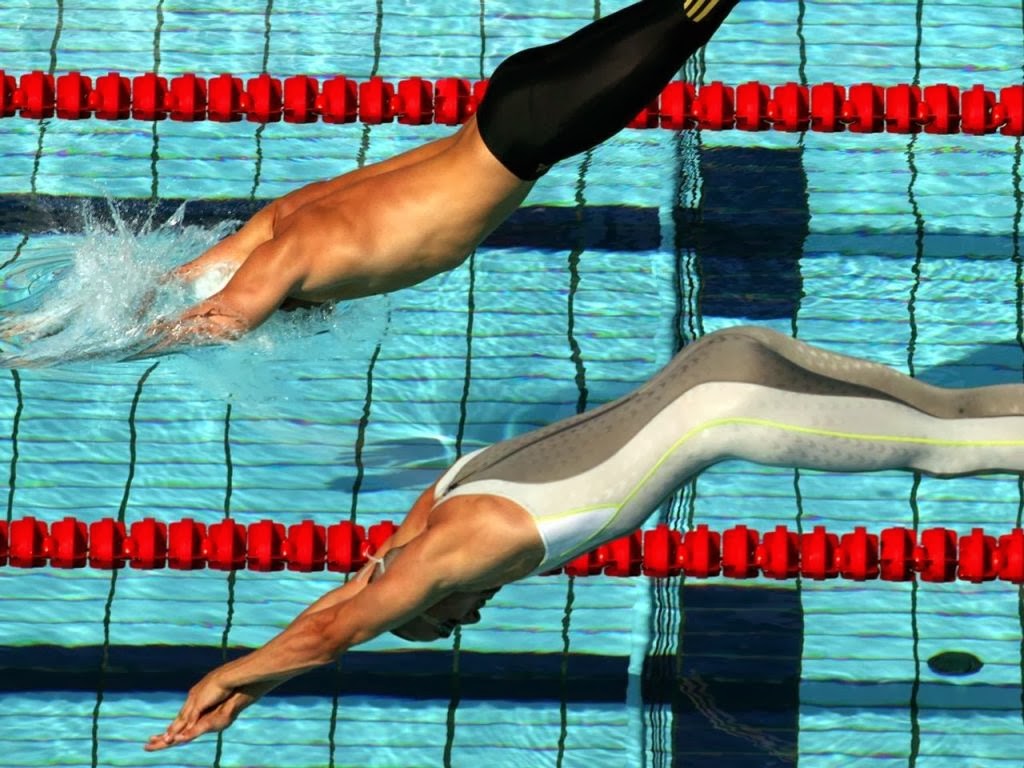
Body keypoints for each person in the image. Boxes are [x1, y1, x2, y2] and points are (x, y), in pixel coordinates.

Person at [146, 326, 1024, 751]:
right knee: (953, 413)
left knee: (952, 450)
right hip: (721, 357)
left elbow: (340, 627)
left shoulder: (464, 546)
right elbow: (355, 589)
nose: (473, 615)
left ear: (421, 588)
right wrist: (267, 679)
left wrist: (231, 676)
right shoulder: (442, 499)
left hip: (734, 406)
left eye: (444, 618)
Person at [139, 0, 740, 353]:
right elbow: (199, 274)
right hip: (507, 103)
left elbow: (224, 318)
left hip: (534, 132)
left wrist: (97, 349)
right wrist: (147, 292)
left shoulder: (292, 257)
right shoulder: (280, 220)